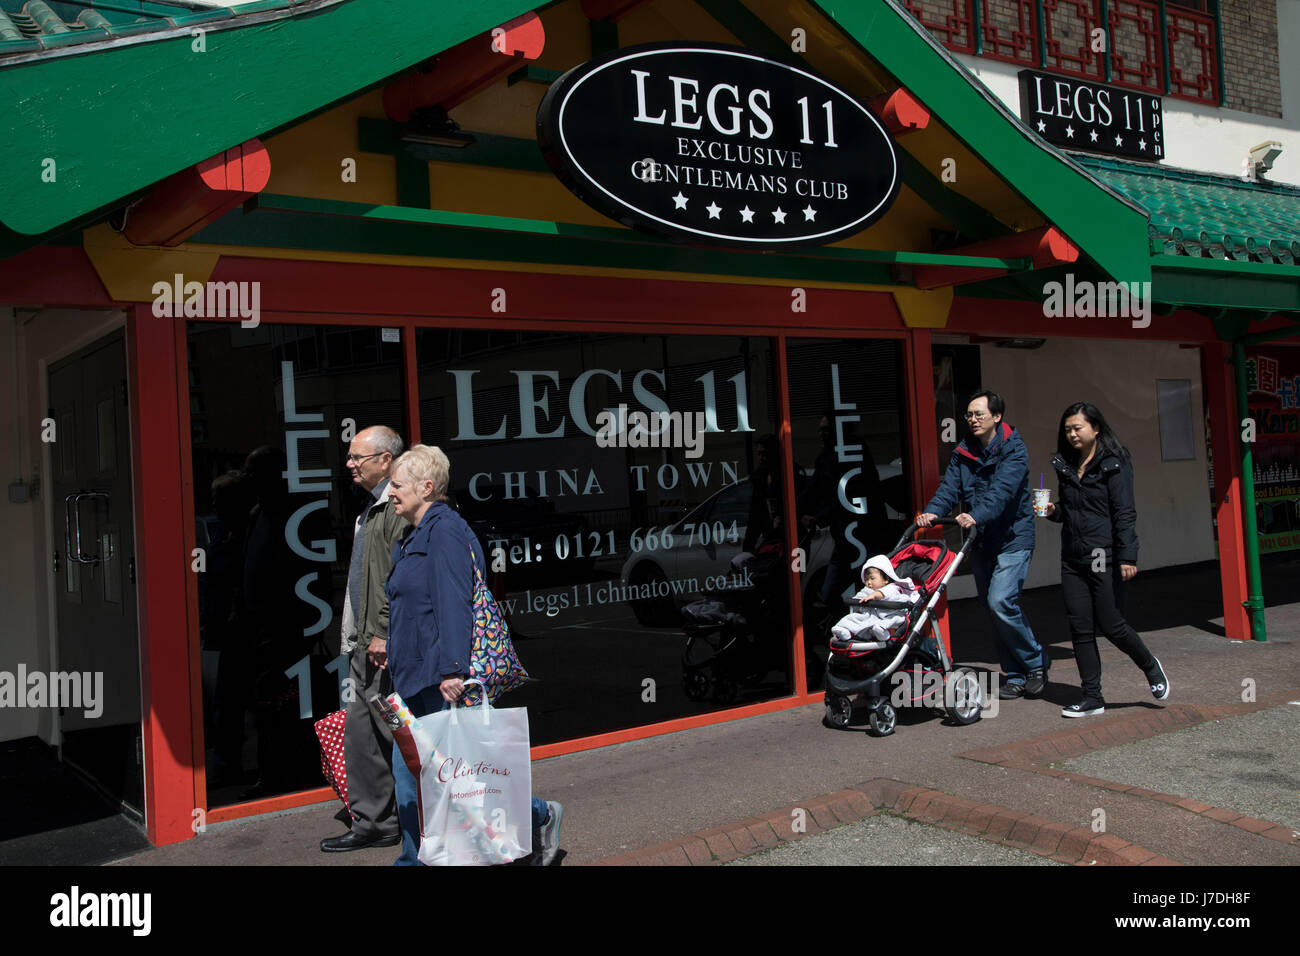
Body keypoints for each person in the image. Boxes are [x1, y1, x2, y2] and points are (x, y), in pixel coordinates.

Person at [384, 444, 562, 866]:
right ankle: (422, 857)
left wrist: (453, 670)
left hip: (438, 678)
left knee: (459, 776)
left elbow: (453, 602)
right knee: (413, 776)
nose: (389, 493)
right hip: (408, 678)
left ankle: (538, 814)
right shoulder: (411, 534)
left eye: (396, 485)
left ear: (426, 487)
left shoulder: (443, 530)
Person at [917, 389, 1048, 700]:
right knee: (993, 609)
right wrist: (933, 511)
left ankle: (1035, 663)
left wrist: (975, 514)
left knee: (1002, 601)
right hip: (982, 540)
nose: (972, 420)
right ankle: (1015, 675)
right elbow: (949, 487)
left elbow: (1002, 492)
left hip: (1014, 537)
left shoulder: (1014, 450)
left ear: (997, 417)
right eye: (969, 415)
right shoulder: (964, 452)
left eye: (979, 414)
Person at [1043, 402, 1169, 717]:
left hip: (1102, 555)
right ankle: (1092, 697)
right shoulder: (1065, 464)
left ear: (1095, 428)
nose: (1071, 434)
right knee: (1080, 627)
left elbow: (1124, 513)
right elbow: (1071, 509)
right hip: (1073, 557)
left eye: (1077, 428)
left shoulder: (1114, 463)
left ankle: (1150, 665)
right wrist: (1052, 511)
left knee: (1111, 624)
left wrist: (1128, 555)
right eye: (1067, 429)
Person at [320, 426, 407, 852]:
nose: (350, 465)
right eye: (350, 458)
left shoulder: (396, 506)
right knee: (363, 732)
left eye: (359, 457)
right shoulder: (371, 509)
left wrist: (382, 634)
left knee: (392, 729)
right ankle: (377, 820)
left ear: (386, 460)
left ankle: (401, 817)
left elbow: (397, 579)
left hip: (380, 647)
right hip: (363, 645)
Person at [830, 555, 920, 643]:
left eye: (872, 578)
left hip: (887, 615)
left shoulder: (893, 587)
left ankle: (885, 633)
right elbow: (860, 596)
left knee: (892, 621)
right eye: (866, 579)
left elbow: (886, 594)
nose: (869, 582)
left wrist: (875, 595)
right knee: (852, 618)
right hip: (869, 616)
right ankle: (845, 631)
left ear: (886, 579)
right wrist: (856, 601)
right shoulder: (867, 590)